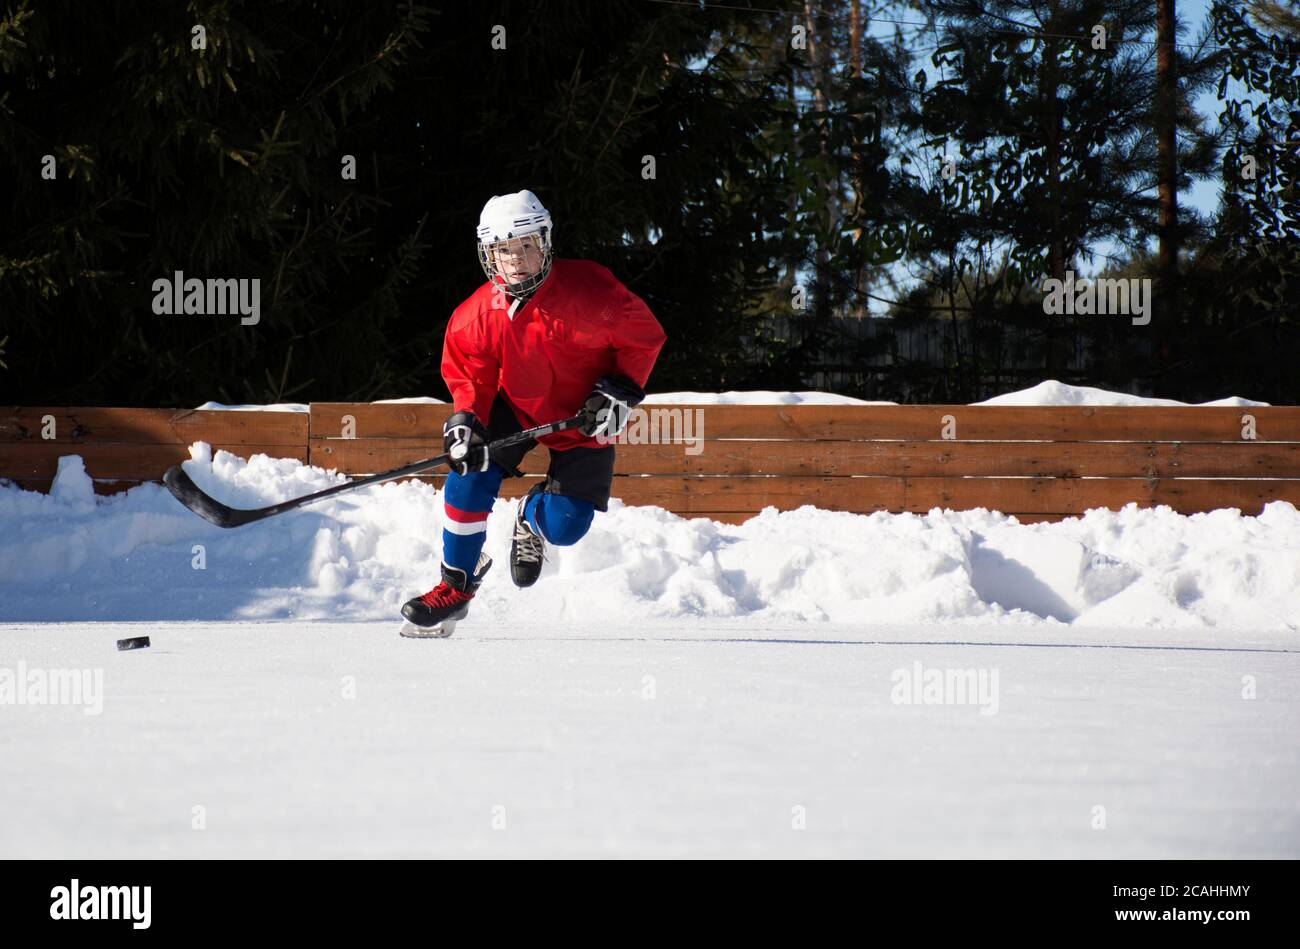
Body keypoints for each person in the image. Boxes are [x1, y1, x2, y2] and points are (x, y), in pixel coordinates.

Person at [401, 190, 667, 632]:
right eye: (506, 250)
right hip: (517, 406)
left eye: (527, 245)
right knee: (468, 476)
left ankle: (530, 515)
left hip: (584, 415)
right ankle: (456, 586)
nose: (518, 259)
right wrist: (466, 421)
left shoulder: (593, 292)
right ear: (490, 256)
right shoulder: (477, 314)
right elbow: (471, 374)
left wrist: (621, 391)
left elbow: (644, 337)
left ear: (545, 243)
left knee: (566, 527)